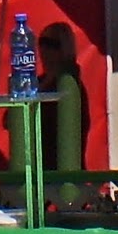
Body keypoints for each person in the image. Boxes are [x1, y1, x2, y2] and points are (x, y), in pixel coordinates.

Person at [37, 21, 90, 172]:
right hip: (38, 171)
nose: (44, 49)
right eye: (42, 42)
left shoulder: (71, 85)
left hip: (62, 173)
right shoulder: (37, 82)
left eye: (51, 44)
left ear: (65, 48)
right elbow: (9, 120)